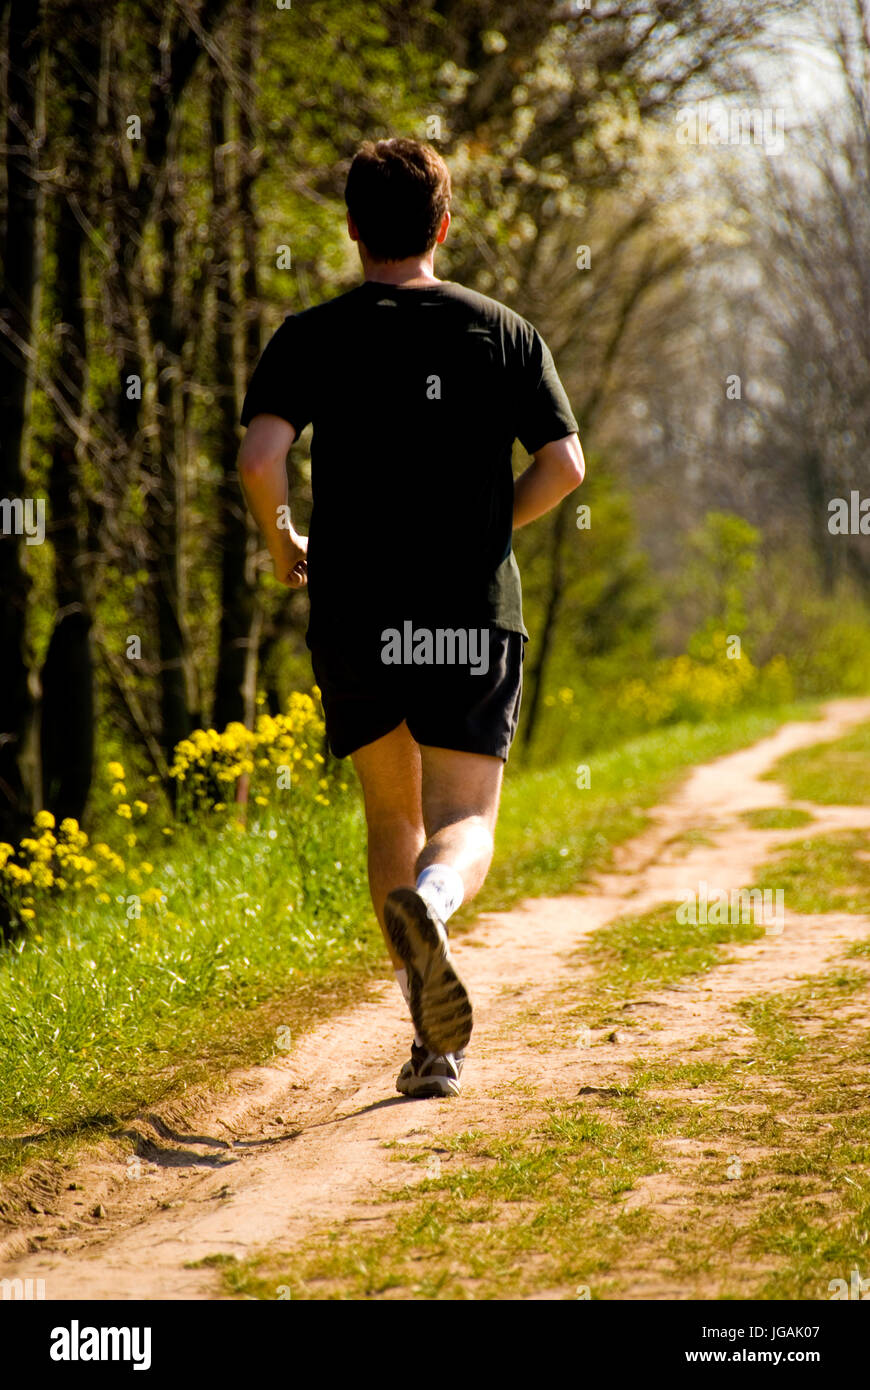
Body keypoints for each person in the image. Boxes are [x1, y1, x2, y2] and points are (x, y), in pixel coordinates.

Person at [238, 138, 584, 1098]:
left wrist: (283, 545)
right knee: (464, 816)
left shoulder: (309, 336)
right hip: (471, 613)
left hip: (356, 613)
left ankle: (432, 1044)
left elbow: (260, 460)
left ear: (351, 228)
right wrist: (484, 531)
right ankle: (434, 903)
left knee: (391, 812)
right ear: (443, 225)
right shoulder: (502, 331)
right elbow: (567, 468)